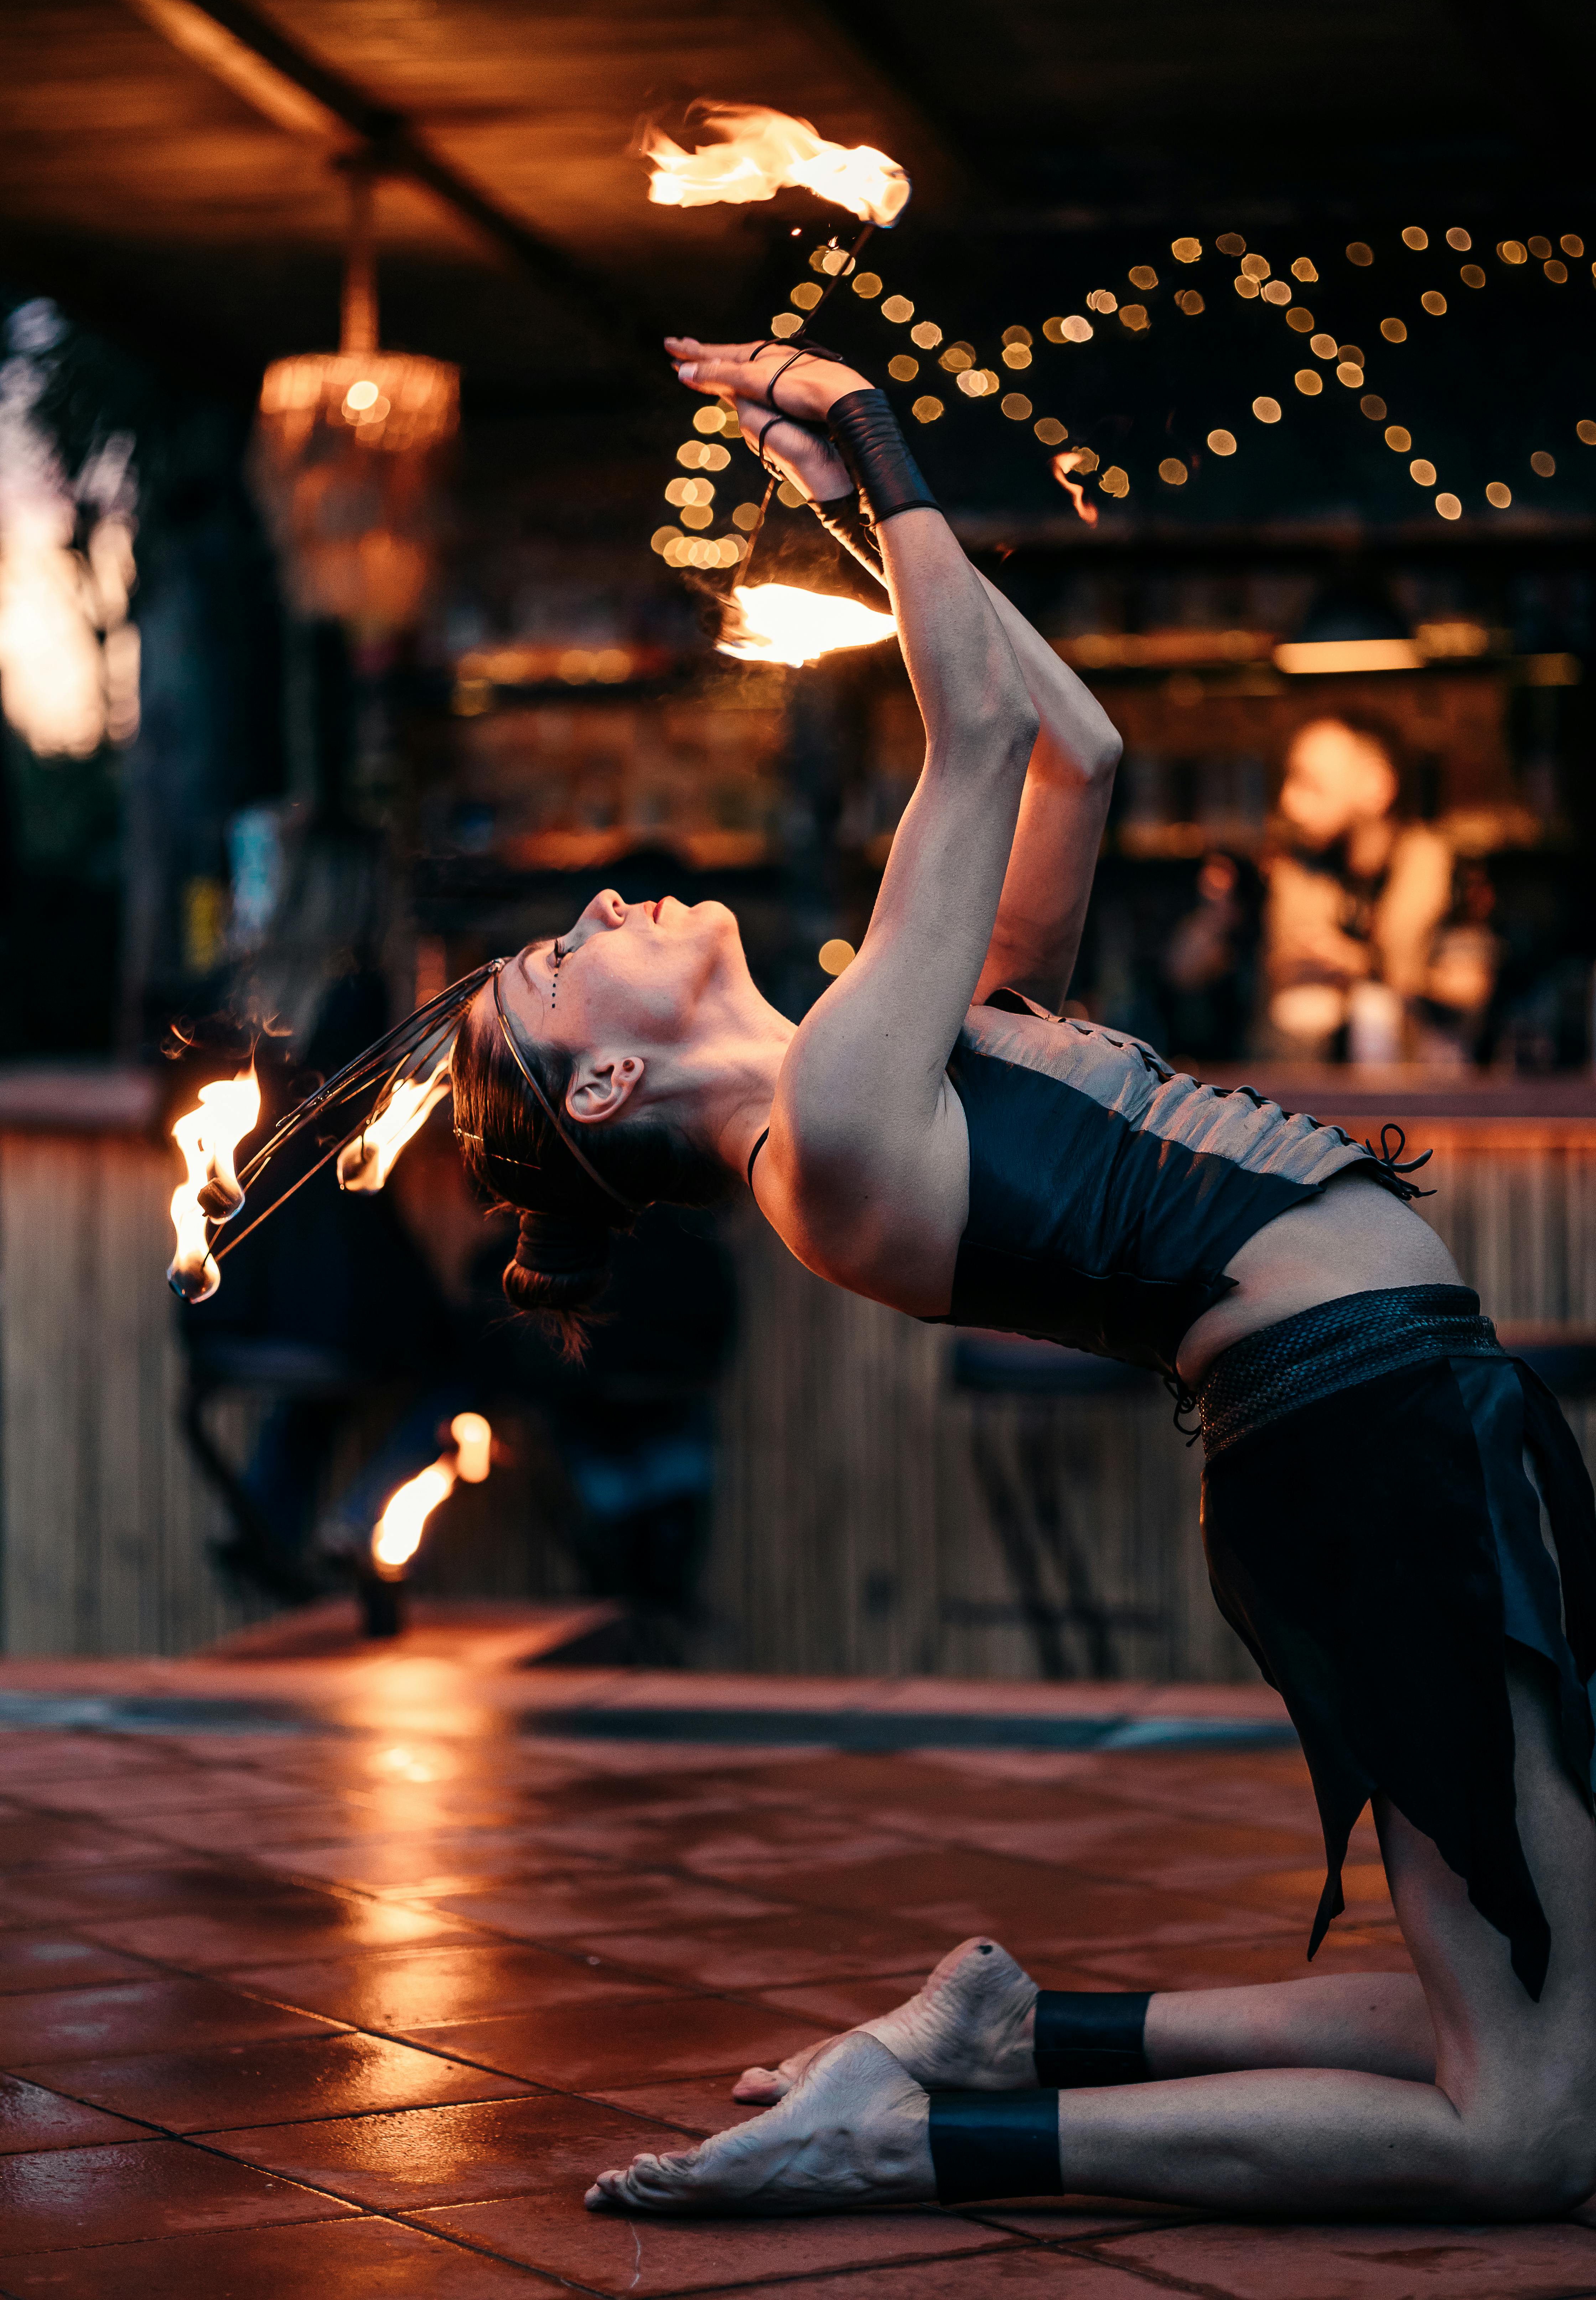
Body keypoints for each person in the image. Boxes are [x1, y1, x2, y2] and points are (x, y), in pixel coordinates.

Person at [436, 338, 1596, 2222]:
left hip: (1400, 1416)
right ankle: (915, 2141)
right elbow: (971, 738)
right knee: (1538, 2131)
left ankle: (1014, 2038)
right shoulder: (833, 1130)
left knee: (1562, 2034)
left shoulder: (900, 1042)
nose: (603, 909)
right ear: (613, 1083)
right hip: (1362, 1445)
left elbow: (1073, 749)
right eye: (569, 962)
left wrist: (857, 508)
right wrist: (873, 435)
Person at [1264, 714, 1457, 1059]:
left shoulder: (1433, 862)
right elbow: (1288, 961)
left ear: (1376, 786)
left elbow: (1467, 990)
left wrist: (1363, 964)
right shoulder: (1301, 866)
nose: (1288, 802)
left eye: (1309, 783)